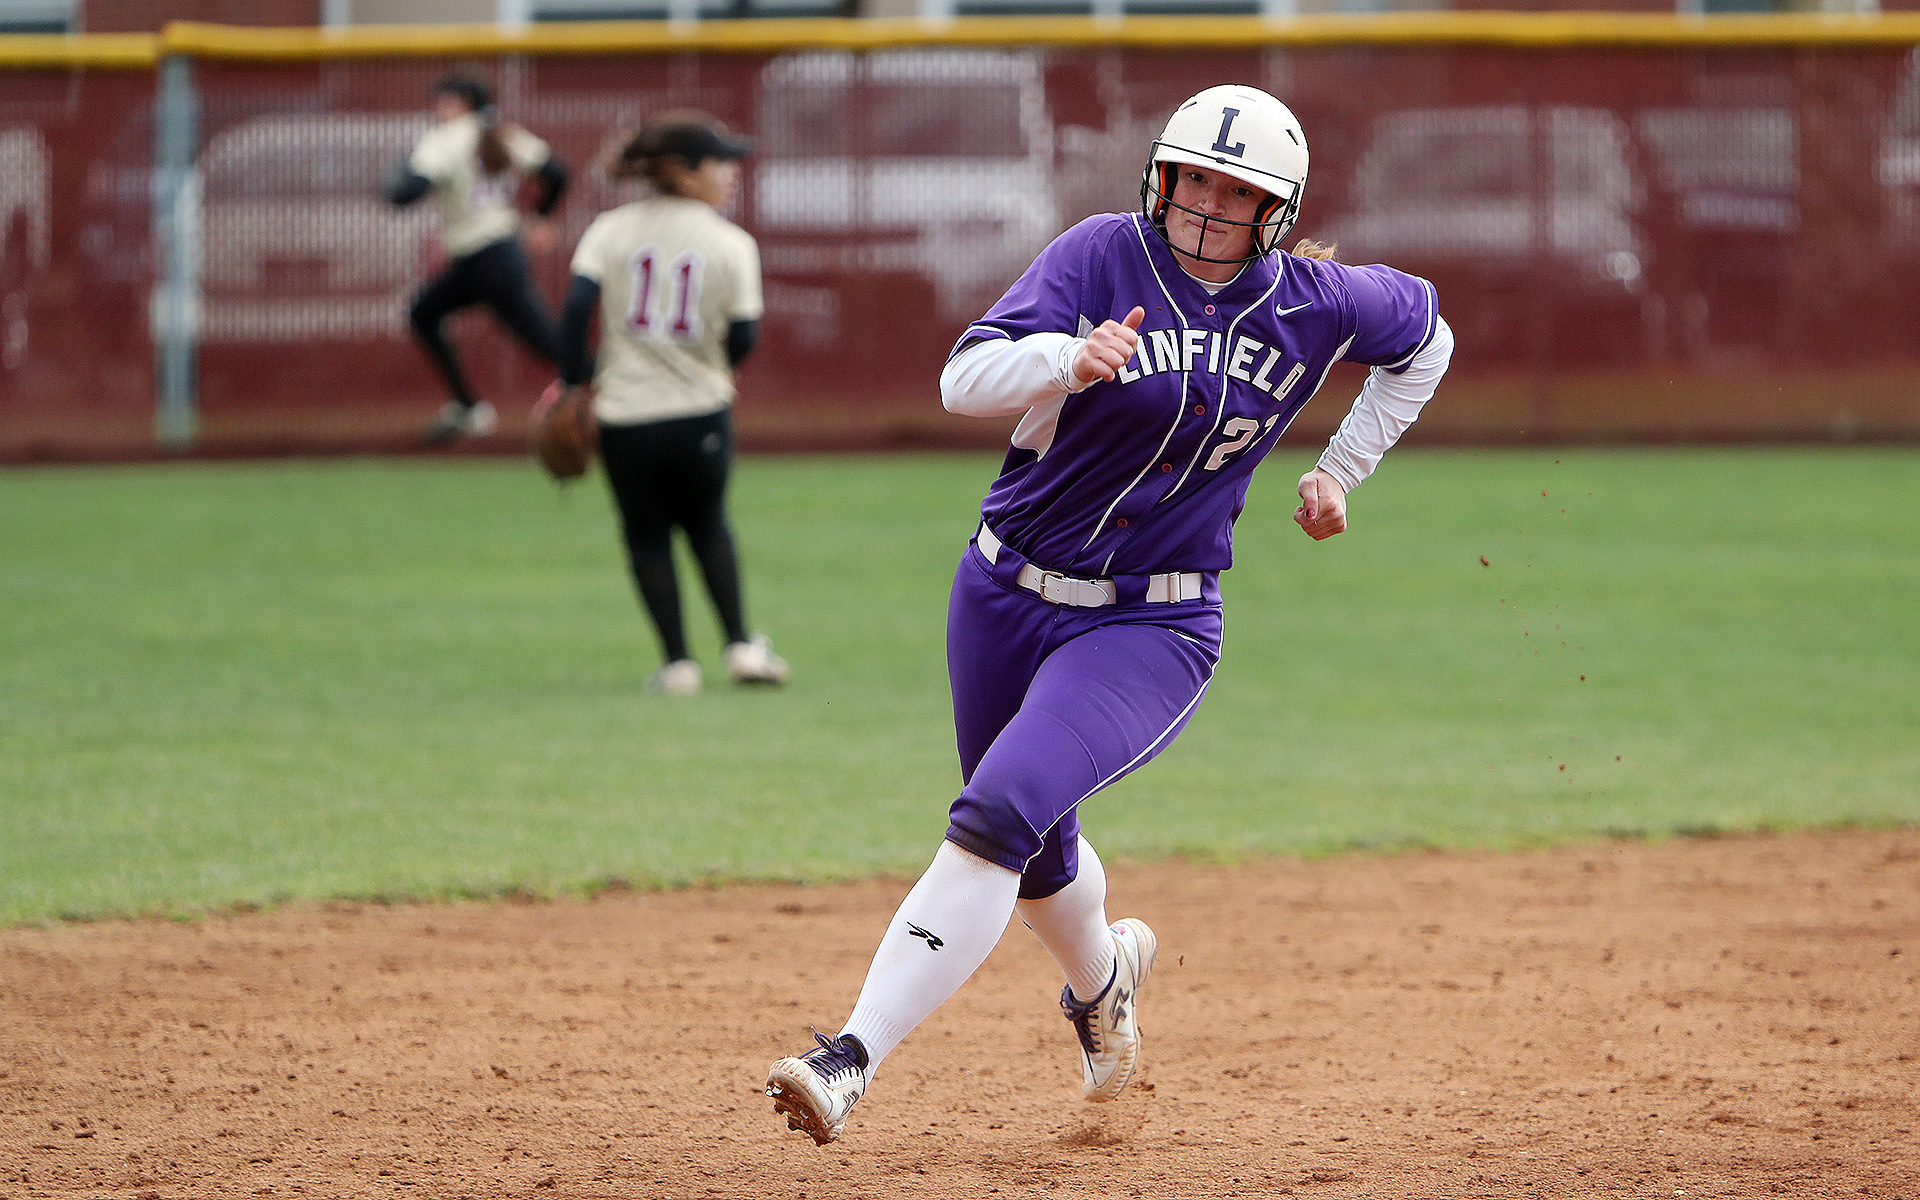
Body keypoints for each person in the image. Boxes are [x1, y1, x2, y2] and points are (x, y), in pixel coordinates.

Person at [764, 83, 1453, 1144]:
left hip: (1152, 625)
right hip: (1001, 591)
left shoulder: (1316, 299)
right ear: (1160, 177)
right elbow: (962, 378)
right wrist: (1065, 357)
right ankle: (1106, 981)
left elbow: (1428, 337)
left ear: (1276, 209)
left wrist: (1343, 468)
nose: (1206, 207)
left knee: (995, 815)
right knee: (1031, 854)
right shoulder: (1101, 254)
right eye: (1191, 180)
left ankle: (848, 1057)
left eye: (1237, 192)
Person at [552, 111, 789, 695]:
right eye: (719, 162)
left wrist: (574, 382)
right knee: (708, 523)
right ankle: (739, 647)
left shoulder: (609, 230)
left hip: (625, 413)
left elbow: (574, 313)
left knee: (645, 534)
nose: (731, 173)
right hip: (699, 411)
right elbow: (745, 338)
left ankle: (678, 664)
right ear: (684, 174)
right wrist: (707, 365)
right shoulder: (729, 242)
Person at [384, 74, 569, 442]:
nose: (439, 110)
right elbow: (556, 172)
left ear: (463, 102)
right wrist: (540, 217)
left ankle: (620, 391)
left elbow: (406, 193)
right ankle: (468, 407)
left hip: (490, 259)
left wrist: (393, 179)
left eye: (445, 101)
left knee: (547, 344)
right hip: (488, 257)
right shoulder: (499, 132)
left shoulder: (449, 137)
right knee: (423, 311)